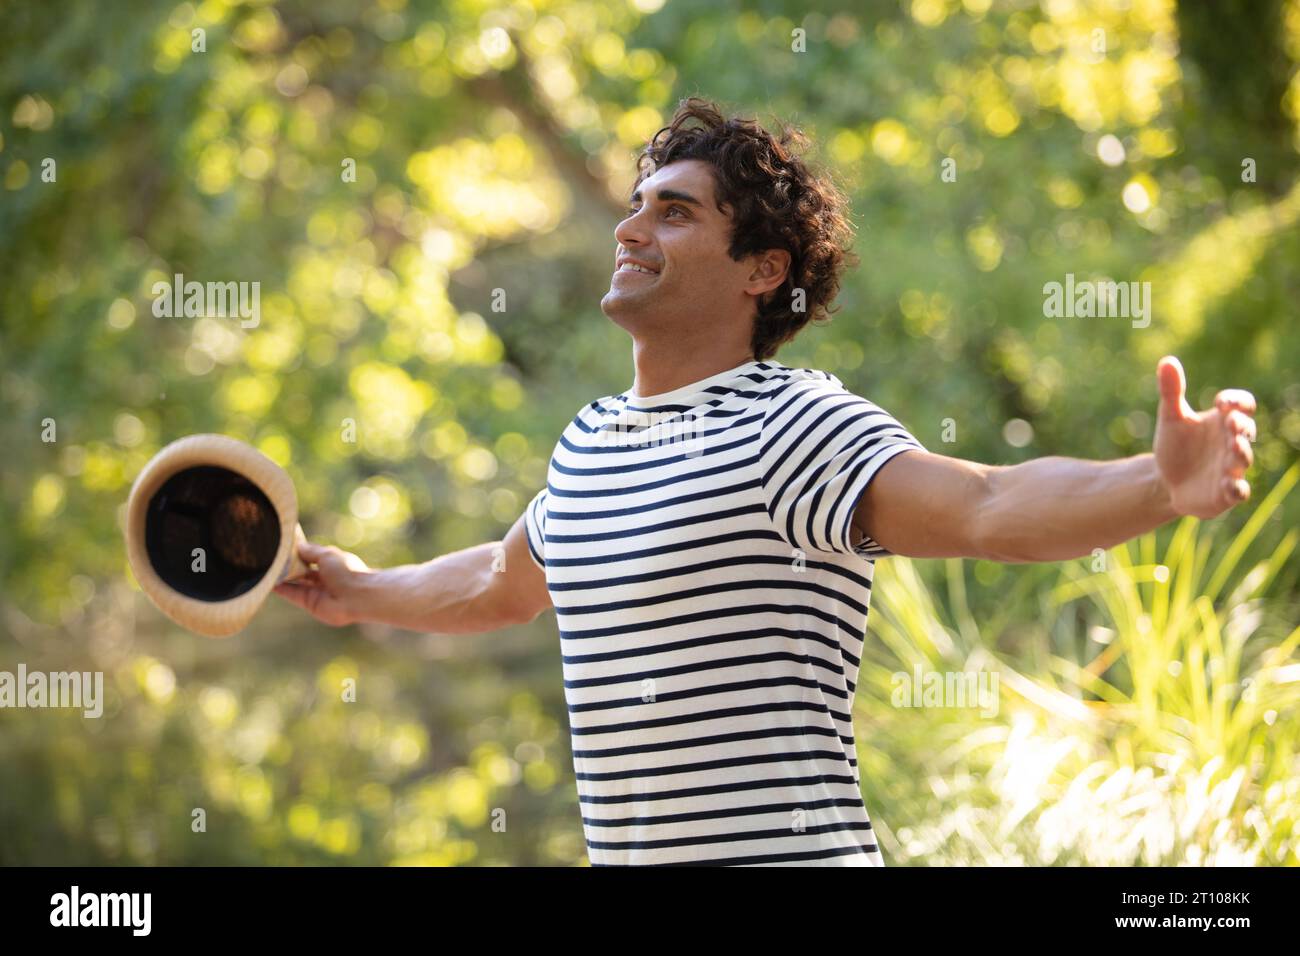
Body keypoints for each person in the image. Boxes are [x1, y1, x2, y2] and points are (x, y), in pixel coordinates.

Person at [274, 97, 1258, 866]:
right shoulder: (589, 444)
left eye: (674, 212)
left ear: (762, 269)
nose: (630, 230)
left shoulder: (791, 423)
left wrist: (1157, 485)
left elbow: (986, 503)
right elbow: (500, 579)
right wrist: (357, 587)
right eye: (633, 207)